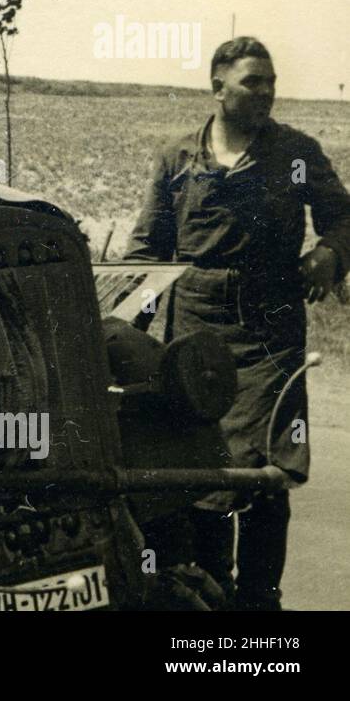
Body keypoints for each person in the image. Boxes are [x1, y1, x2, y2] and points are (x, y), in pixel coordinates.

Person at [126, 36, 350, 610]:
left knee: (267, 474)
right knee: (199, 468)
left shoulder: (297, 152)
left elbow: (343, 218)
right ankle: (210, 597)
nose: (266, 92)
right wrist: (126, 331)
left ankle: (258, 604)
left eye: (271, 81)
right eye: (254, 82)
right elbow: (149, 251)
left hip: (272, 327)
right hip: (195, 332)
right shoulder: (179, 157)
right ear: (218, 87)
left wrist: (329, 254)